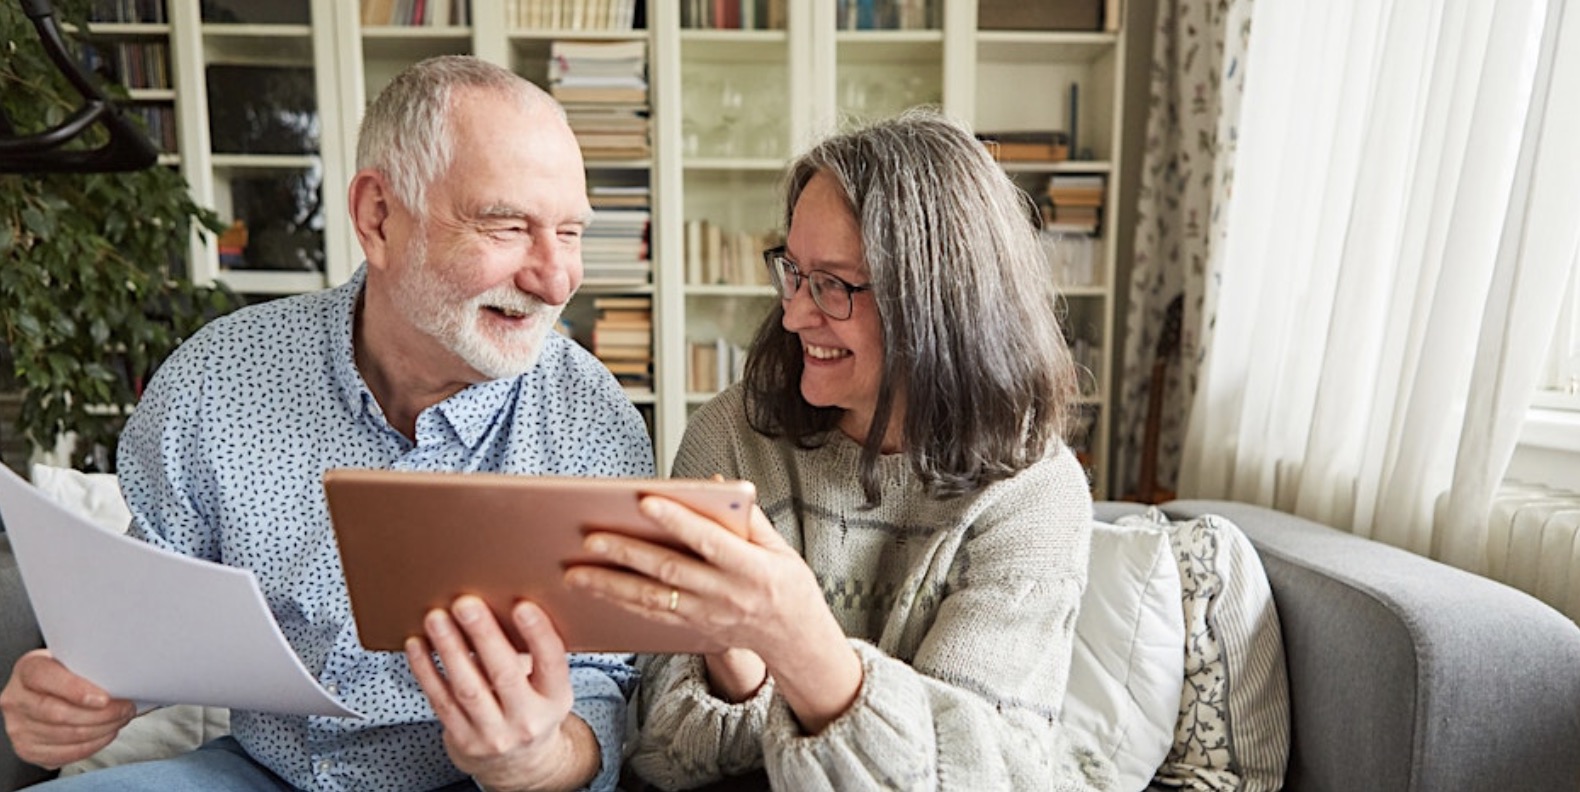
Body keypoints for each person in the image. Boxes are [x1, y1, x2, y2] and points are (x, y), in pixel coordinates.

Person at [0, 55, 653, 791]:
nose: (557, 277)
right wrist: (72, 694)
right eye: (507, 226)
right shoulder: (218, 377)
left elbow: (606, 684)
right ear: (379, 217)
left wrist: (541, 760)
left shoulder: (591, 421)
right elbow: (146, 624)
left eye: (570, 233)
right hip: (260, 773)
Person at [564, 110, 1117, 790]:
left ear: (939, 303)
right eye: (793, 272)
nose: (795, 314)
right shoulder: (729, 437)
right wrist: (739, 670)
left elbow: (979, 773)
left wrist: (798, 638)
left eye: (834, 284)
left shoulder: (1035, 490)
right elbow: (659, 758)